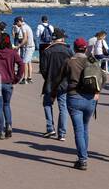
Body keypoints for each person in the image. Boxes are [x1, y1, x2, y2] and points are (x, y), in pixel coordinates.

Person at [63, 38, 103, 169]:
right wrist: (98, 92)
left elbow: (61, 77)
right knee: (85, 127)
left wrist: (52, 93)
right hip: (90, 98)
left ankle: (83, 159)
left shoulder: (69, 62)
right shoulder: (91, 61)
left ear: (74, 48)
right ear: (85, 49)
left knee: (79, 130)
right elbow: (104, 77)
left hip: (74, 97)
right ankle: (84, 155)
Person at [38, 31, 71, 140]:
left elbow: (43, 69)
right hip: (64, 83)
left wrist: (48, 78)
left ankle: (50, 128)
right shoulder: (68, 51)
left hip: (50, 82)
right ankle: (62, 133)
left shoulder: (47, 51)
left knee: (47, 104)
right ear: (61, 39)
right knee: (63, 107)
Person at [14, 17, 35, 84]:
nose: (16, 25)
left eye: (16, 23)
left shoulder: (23, 27)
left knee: (24, 62)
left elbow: (25, 38)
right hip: (31, 46)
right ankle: (29, 78)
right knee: (29, 62)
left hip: (29, 47)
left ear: (19, 21)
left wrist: (18, 46)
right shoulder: (27, 26)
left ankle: (24, 79)